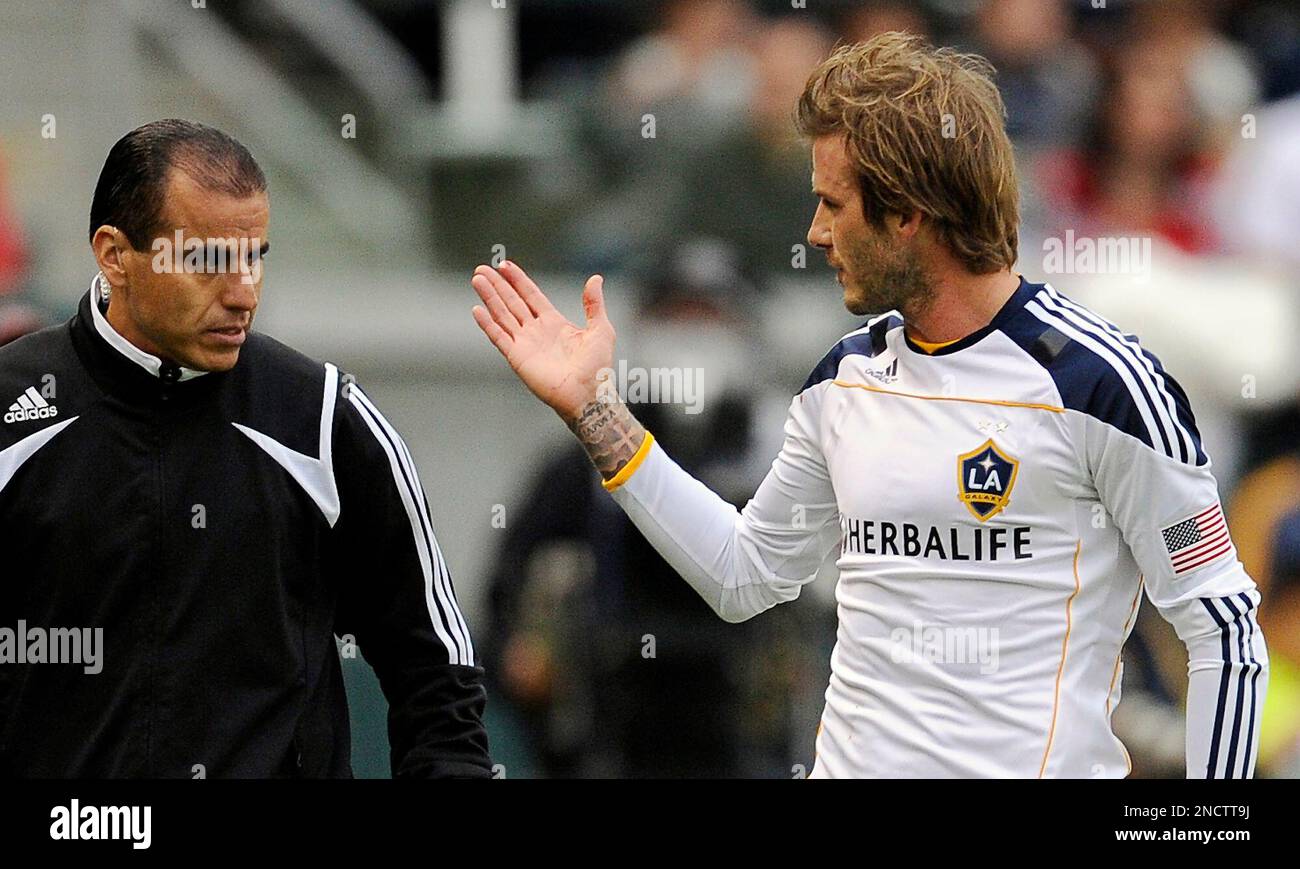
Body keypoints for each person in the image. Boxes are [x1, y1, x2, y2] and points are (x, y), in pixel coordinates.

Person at [470, 33, 1268, 778]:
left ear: (909, 213)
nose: (814, 233)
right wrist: (597, 414)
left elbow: (1223, 631)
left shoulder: (1105, 385)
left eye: (833, 204)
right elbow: (746, 573)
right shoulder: (841, 379)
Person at [0, 119, 490, 778]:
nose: (243, 293)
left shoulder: (322, 418)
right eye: (206, 260)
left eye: (253, 256)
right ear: (115, 254)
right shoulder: (12, 409)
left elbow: (437, 668)